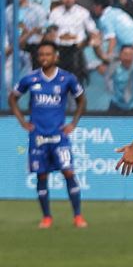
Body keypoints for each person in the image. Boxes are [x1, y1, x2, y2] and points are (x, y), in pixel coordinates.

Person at [12, 41, 86, 229]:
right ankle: (46, 217)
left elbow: (81, 100)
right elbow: (13, 98)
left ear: (56, 57)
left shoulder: (67, 78)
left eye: (48, 54)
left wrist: (73, 123)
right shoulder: (30, 79)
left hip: (59, 136)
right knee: (42, 175)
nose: (44, 58)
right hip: (38, 136)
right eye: (41, 55)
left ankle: (78, 216)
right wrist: (22, 121)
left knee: (68, 172)